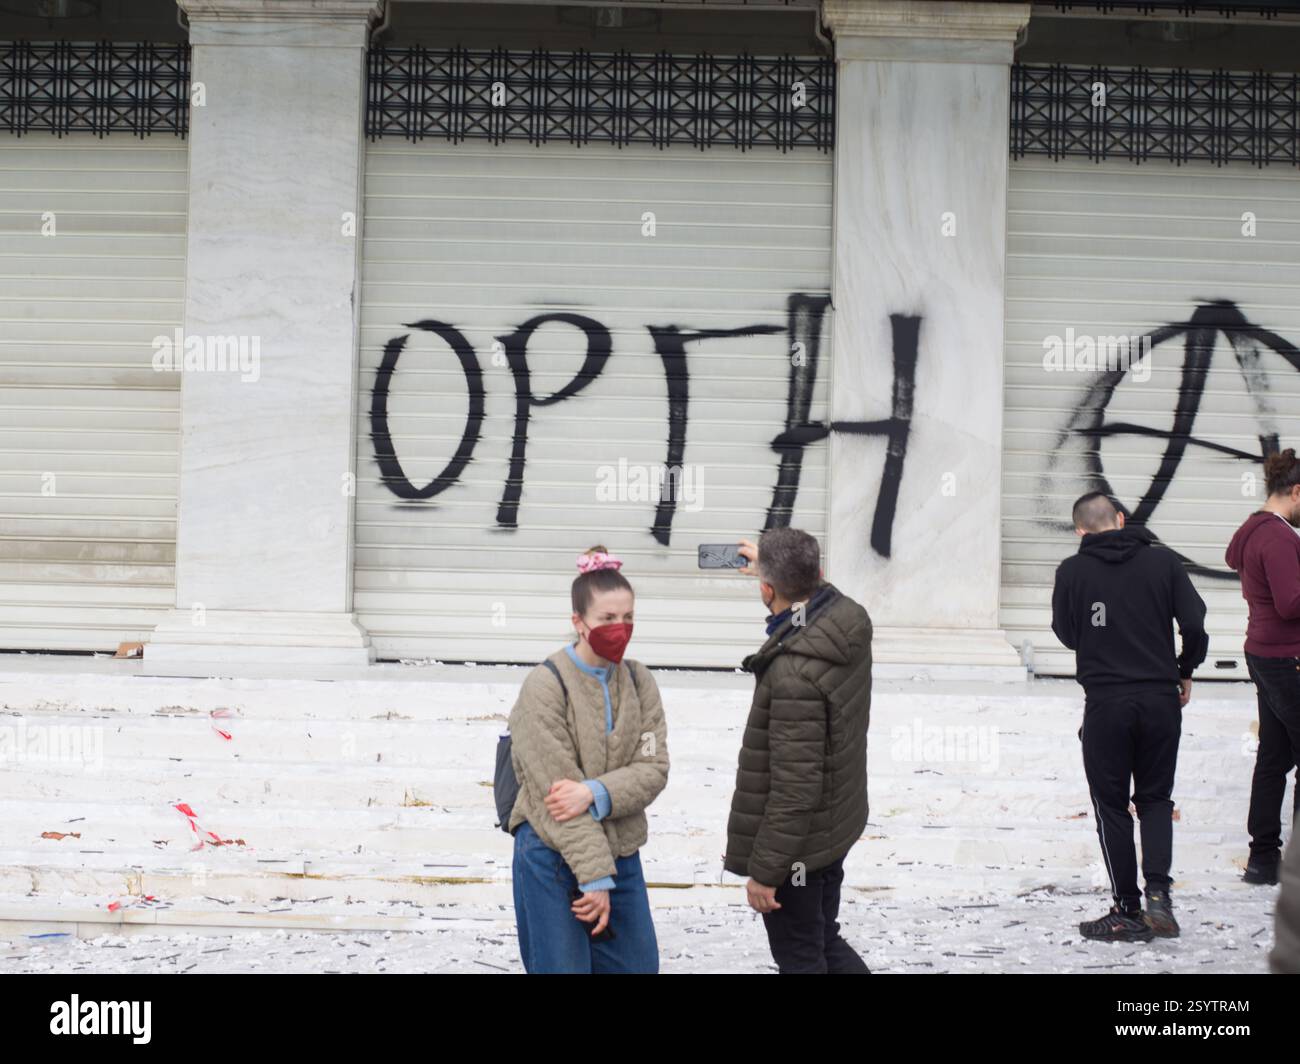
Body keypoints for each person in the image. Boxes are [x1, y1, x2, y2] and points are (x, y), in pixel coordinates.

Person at [1051, 492, 1208, 942]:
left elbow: (1065, 633)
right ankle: (1159, 898)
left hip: (1106, 704)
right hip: (1161, 702)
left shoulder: (1072, 571)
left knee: (1112, 806)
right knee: (1156, 800)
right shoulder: (1164, 564)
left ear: (1080, 531)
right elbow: (1195, 624)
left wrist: (1100, 634)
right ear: (1121, 519)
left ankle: (1127, 909)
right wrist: (1184, 670)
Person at [506, 546, 670, 973]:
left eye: (628, 618)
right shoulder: (545, 686)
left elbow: (652, 768)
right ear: (578, 622)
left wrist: (594, 792)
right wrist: (594, 878)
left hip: (622, 855)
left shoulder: (639, 681)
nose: (620, 628)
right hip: (551, 856)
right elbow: (556, 795)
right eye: (607, 619)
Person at [723, 527, 873, 973]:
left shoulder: (793, 675)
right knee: (823, 938)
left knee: (803, 956)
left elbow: (794, 789)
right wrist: (780, 566)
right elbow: (814, 589)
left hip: (799, 847)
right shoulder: (848, 620)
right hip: (834, 827)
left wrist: (765, 873)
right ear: (819, 574)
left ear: (766, 588)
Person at [1225, 448, 1300, 887]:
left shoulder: (1252, 530)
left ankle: (1263, 860)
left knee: (1273, 757)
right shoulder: (1277, 538)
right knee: (1278, 758)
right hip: (1287, 658)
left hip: (1264, 654)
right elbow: (1291, 603)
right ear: (1295, 491)